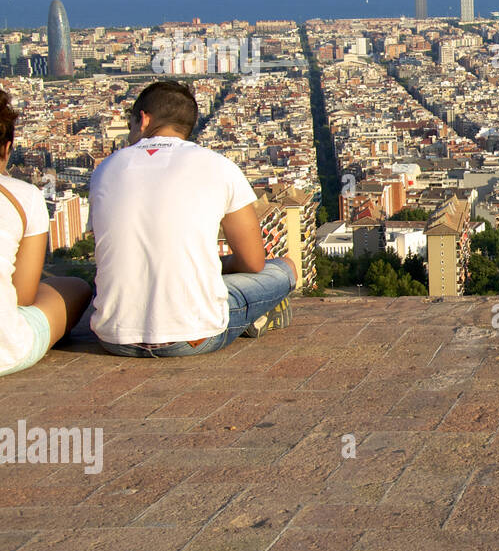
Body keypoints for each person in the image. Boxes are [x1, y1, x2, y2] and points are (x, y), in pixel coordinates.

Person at [90, 80, 297, 357]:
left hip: (114, 338)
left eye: (129, 123)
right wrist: (216, 265)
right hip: (194, 336)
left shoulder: (105, 169)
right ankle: (254, 315)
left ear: (143, 119)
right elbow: (253, 262)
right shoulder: (217, 165)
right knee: (285, 268)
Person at [0, 89, 92, 377]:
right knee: (74, 287)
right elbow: (24, 297)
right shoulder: (21, 196)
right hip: (6, 352)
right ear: (7, 147)